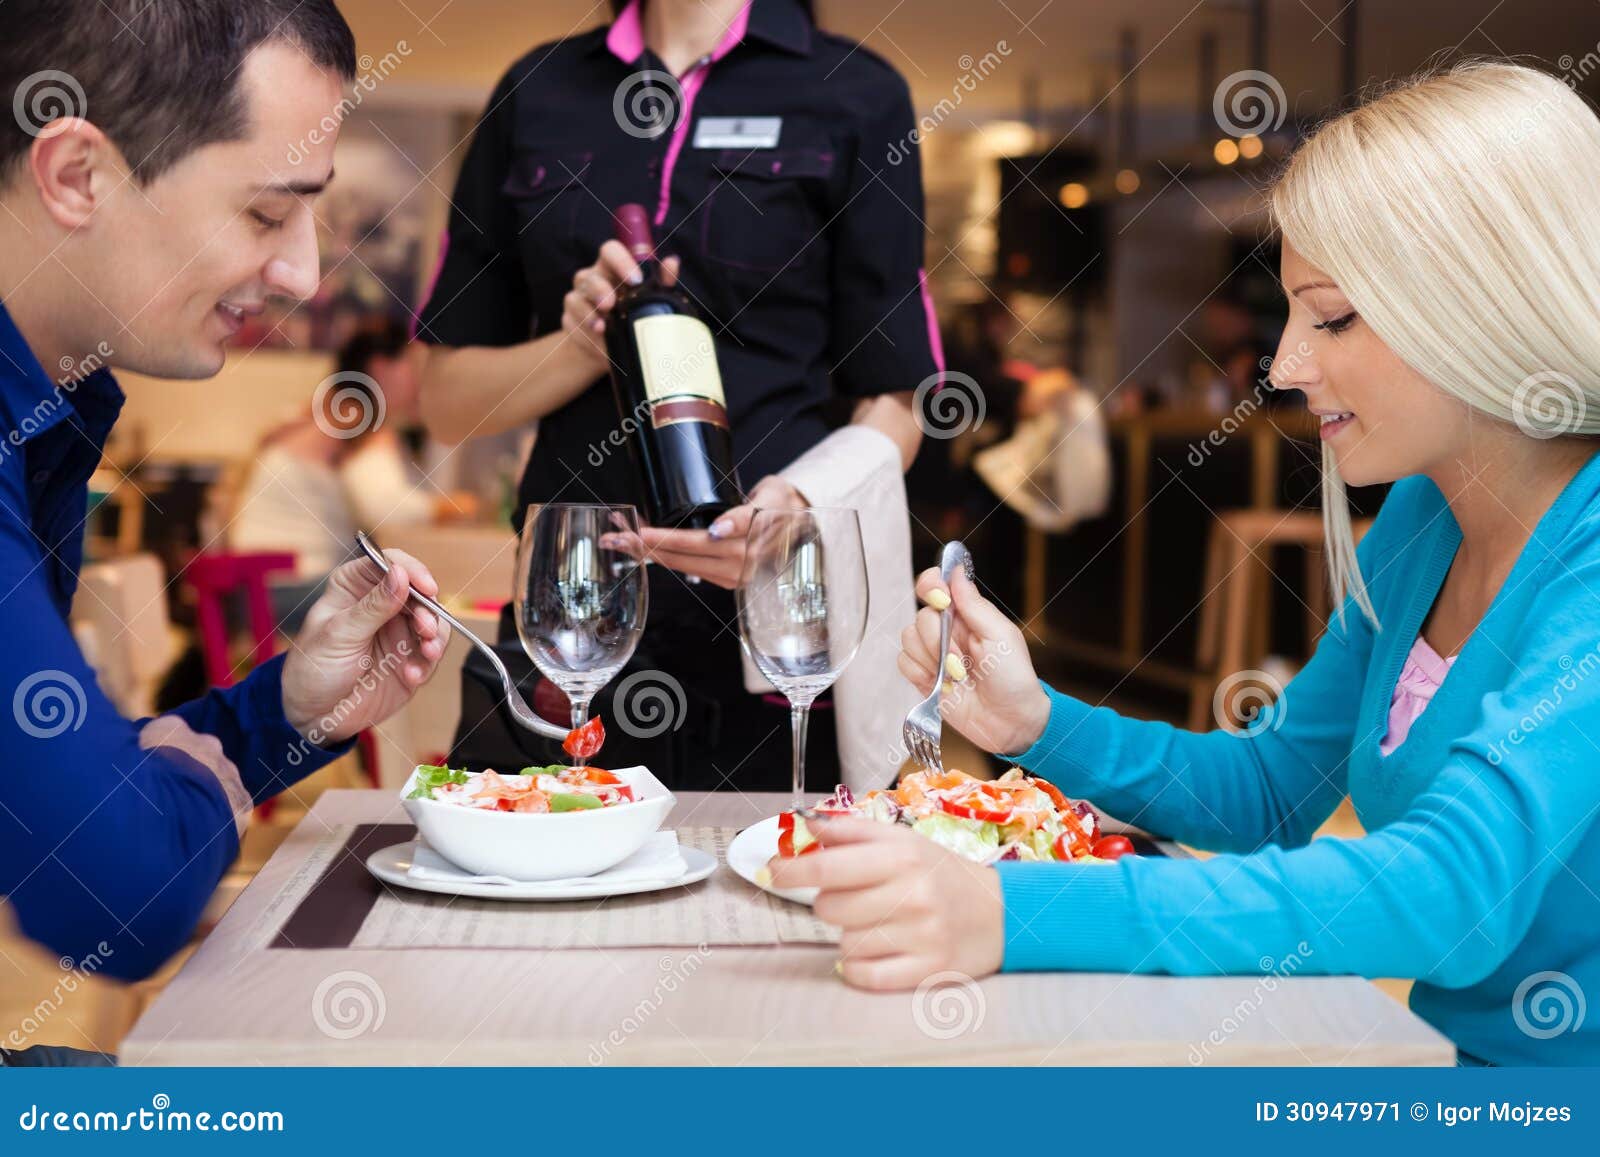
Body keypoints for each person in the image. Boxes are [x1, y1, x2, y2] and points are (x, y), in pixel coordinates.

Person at [773, 61, 1600, 1067]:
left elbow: (1452, 892)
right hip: (1429, 1061)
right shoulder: (1427, 516)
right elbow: (1267, 791)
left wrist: (1007, 911)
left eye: (1330, 316)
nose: (1286, 364)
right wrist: (1035, 719)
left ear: (1484, 304)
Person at [0, 0, 450, 1062]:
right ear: (76, 175)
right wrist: (181, 786)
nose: (301, 273)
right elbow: (108, 888)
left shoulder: (51, 413)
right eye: (264, 214)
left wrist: (282, 714)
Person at [415, 0, 937, 792]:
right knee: (521, 887)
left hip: (771, 609)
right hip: (572, 606)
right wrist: (585, 343)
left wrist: (795, 504)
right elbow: (446, 400)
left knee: (775, 889)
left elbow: (897, 405)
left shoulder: (854, 92)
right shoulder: (539, 89)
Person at [231, 323, 469, 633]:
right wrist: (454, 507)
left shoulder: (331, 409)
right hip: (281, 589)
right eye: (411, 365)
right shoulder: (360, 419)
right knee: (402, 594)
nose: (420, 380)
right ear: (381, 368)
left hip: (252, 587)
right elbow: (385, 509)